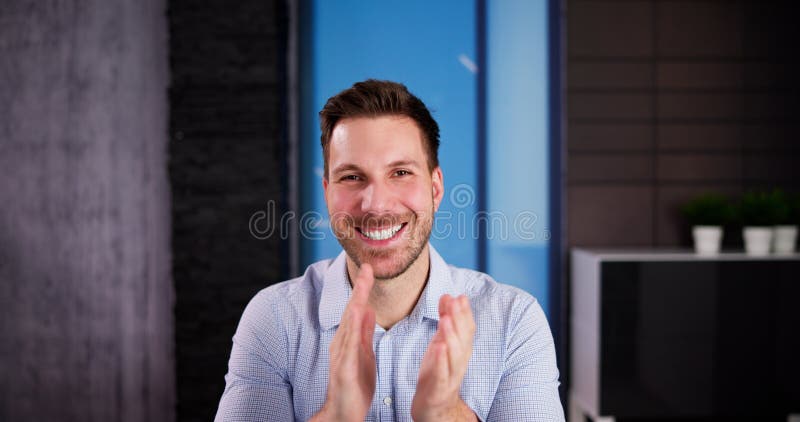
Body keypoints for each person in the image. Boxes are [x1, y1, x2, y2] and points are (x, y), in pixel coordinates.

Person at [214, 80, 564, 421]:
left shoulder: (513, 321)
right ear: (327, 192)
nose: (376, 204)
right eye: (352, 177)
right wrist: (336, 417)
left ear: (436, 188)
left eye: (400, 172)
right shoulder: (274, 320)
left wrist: (446, 416)